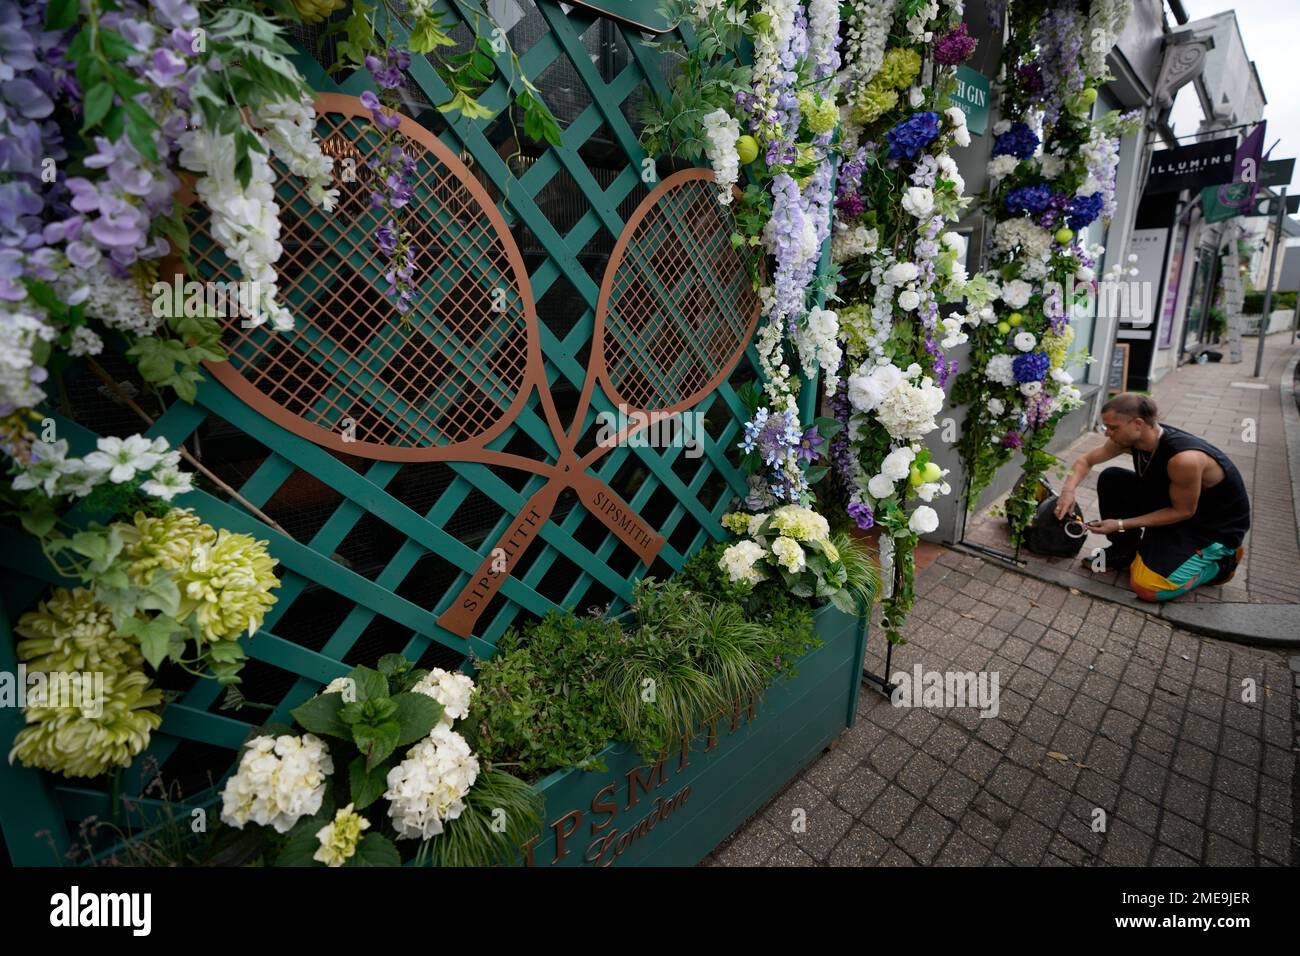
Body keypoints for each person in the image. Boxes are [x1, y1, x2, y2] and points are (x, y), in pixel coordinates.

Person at [1054, 393, 1250, 602]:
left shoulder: (1184, 459)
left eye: (1113, 428)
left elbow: (1183, 511)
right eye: (1106, 427)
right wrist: (1068, 492)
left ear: (1138, 424)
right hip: (1175, 508)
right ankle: (1124, 551)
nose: (1107, 434)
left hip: (1209, 528)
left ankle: (1220, 565)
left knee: (1147, 587)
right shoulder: (1131, 440)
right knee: (1112, 479)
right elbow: (1086, 460)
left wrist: (1120, 524)